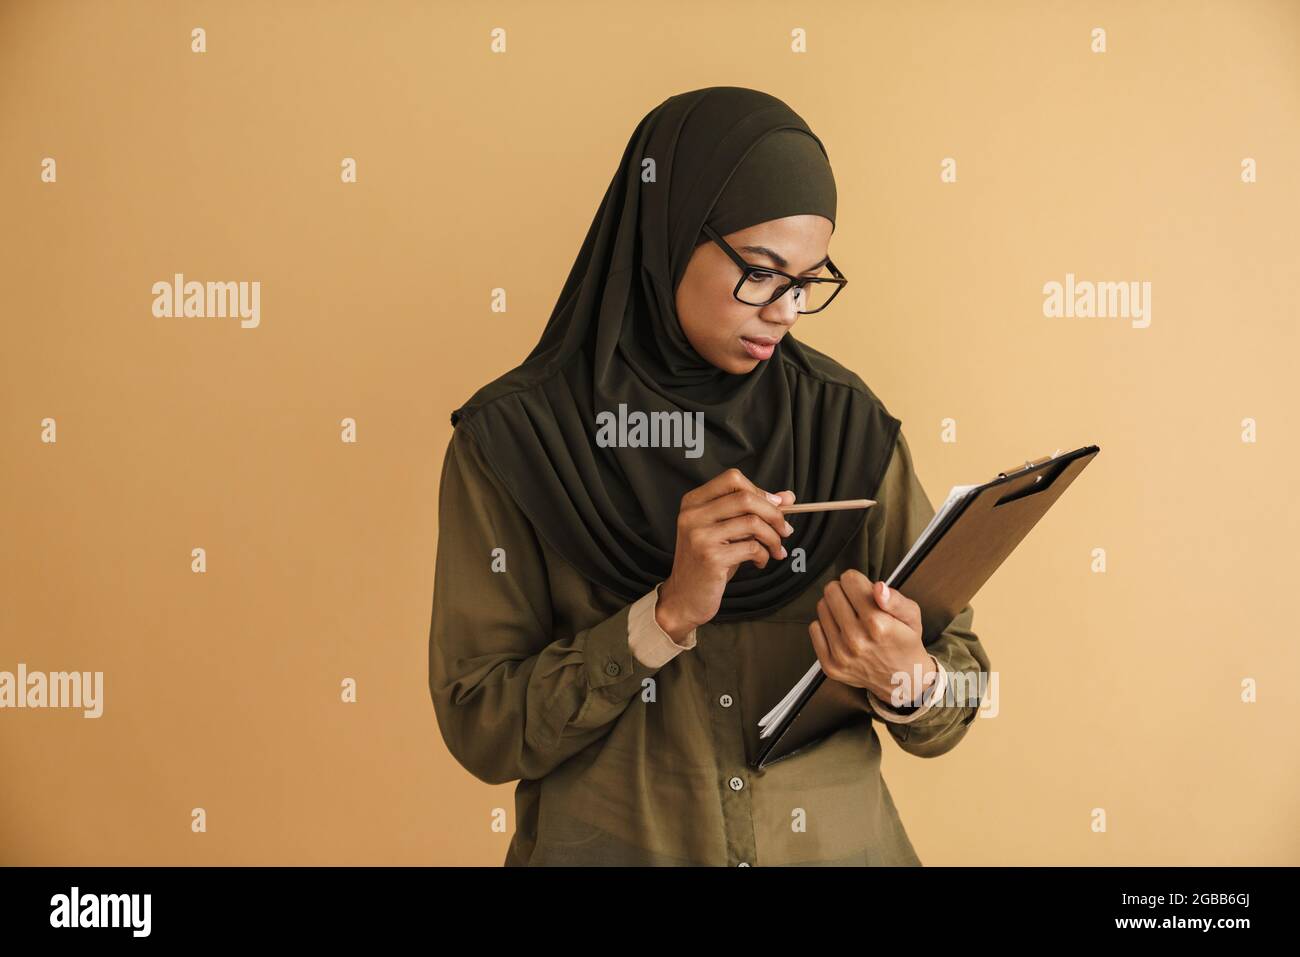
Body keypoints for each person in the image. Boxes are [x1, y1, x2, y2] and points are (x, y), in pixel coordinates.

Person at [428, 86, 991, 866]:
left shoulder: (845, 427)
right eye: (760, 273)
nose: (786, 310)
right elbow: (482, 724)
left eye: (806, 281)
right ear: (668, 234)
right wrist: (660, 617)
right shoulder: (520, 443)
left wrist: (912, 678)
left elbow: (968, 689)